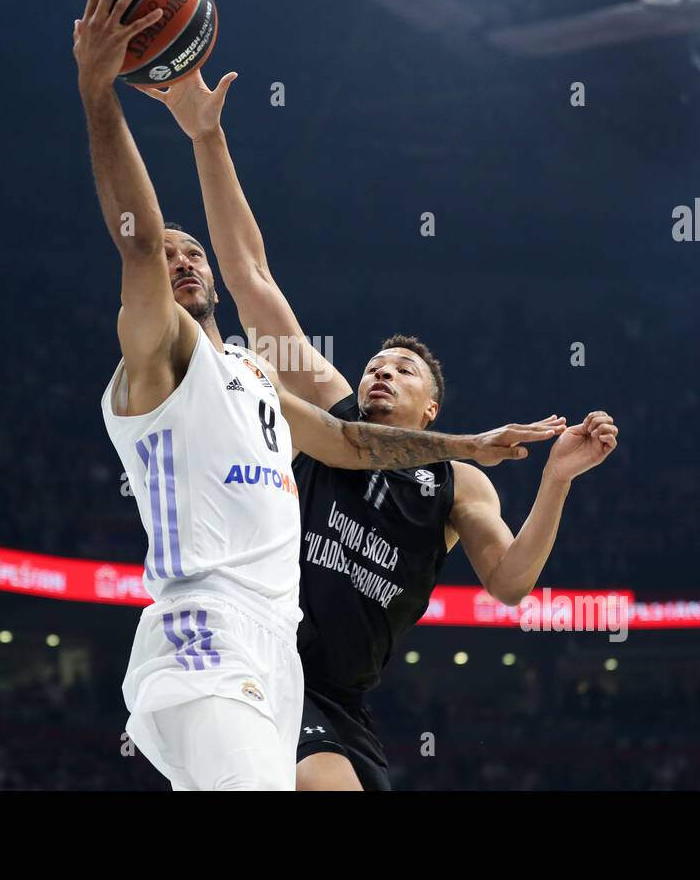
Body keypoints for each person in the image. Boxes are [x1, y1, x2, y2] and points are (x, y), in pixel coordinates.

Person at [75, 0, 560, 791]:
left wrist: (484, 451)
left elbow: (351, 447)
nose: (182, 259)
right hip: (212, 635)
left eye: (401, 368)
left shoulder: (263, 382)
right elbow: (202, 257)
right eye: (173, 255)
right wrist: (115, 96)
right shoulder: (164, 354)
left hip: (289, 663)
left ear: (432, 400)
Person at [140, 66, 620, 790]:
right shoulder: (334, 417)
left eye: (401, 369)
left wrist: (555, 480)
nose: (379, 374)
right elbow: (250, 275)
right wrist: (208, 136)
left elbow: (513, 582)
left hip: (345, 699)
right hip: (267, 662)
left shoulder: (459, 483)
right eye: (373, 365)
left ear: (431, 408)